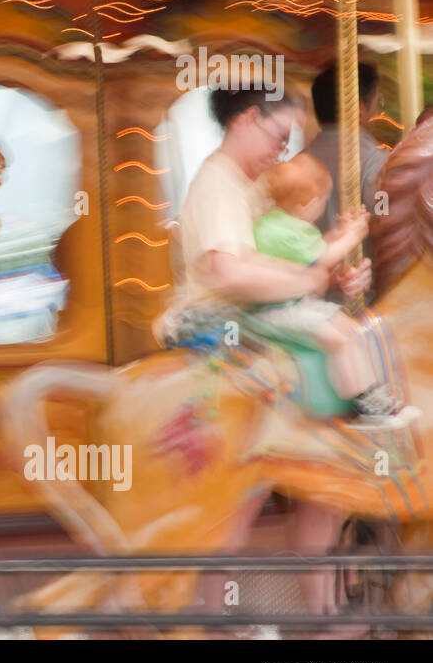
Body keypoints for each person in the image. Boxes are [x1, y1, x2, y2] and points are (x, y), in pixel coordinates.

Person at [161, 85, 371, 625]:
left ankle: (318, 588)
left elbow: (284, 262)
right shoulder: (219, 184)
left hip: (256, 323)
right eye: (278, 137)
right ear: (247, 119)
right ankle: (214, 612)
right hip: (224, 328)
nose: (280, 152)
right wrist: (309, 275)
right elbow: (226, 271)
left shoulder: (250, 185)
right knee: (243, 485)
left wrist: (331, 278)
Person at [252, 153, 399, 416]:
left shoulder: (278, 223)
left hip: (289, 304)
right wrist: (352, 236)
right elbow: (323, 257)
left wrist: (341, 232)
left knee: (347, 327)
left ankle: (369, 390)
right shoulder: (284, 230)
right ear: (307, 204)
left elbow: (313, 247)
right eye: (322, 202)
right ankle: (361, 400)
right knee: (338, 338)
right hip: (276, 311)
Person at [305, 61, 387, 235]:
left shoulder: (300, 159)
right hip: (361, 259)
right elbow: (384, 217)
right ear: (358, 109)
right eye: (376, 101)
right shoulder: (375, 160)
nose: (378, 110)